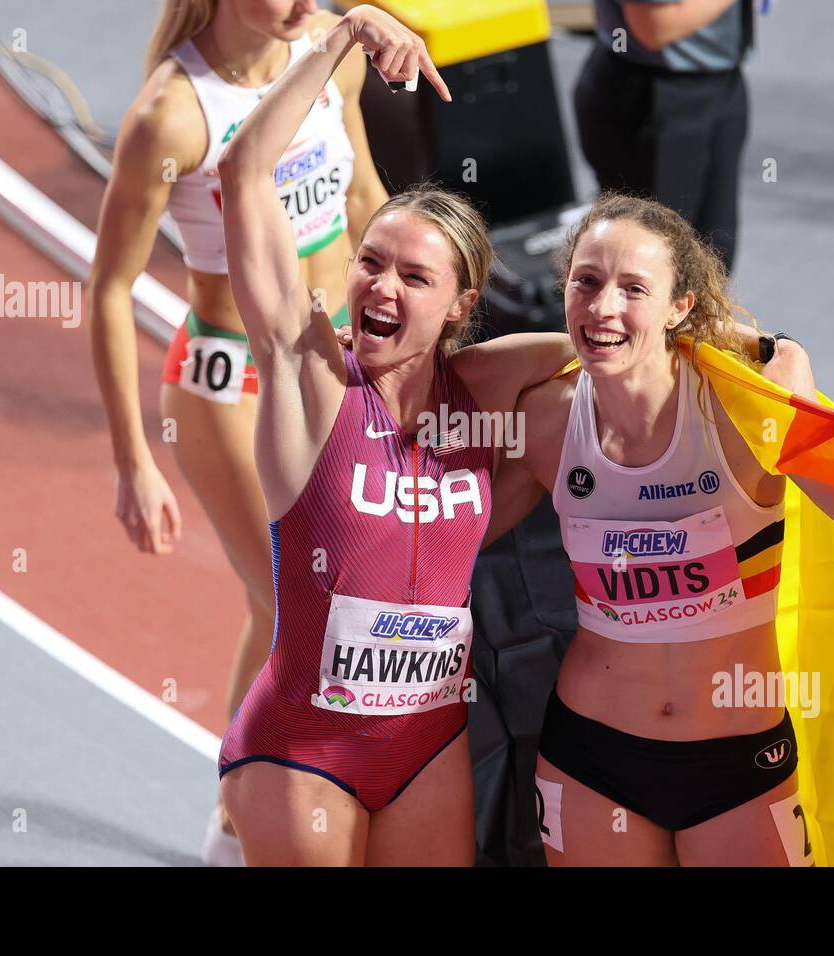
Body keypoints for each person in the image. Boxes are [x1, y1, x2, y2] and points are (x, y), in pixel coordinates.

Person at [214, 4, 577, 866]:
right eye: (371, 261)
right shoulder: (313, 374)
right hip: (304, 747)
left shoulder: (479, 396)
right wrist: (339, 38)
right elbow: (245, 171)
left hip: (427, 749)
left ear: (458, 307)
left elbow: (599, 350)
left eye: (415, 275)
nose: (380, 284)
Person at [514, 192, 834, 865]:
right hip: (589, 760)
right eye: (585, 282)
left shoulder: (747, 416)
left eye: (633, 289)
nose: (602, 307)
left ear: (682, 305)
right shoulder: (544, 421)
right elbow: (446, 400)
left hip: (740, 766)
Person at [87, 0, 391, 864]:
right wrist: (132, 459)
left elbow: (364, 197)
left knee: (285, 607)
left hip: (333, 367)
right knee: (308, 609)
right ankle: (252, 823)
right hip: (231, 389)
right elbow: (110, 288)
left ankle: (237, 810)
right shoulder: (173, 114)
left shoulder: (337, 55)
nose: (305, 3)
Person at [575, 0, 753, 271]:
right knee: (649, 267)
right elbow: (655, 26)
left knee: (713, 260)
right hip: (655, 97)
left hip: (719, 81)